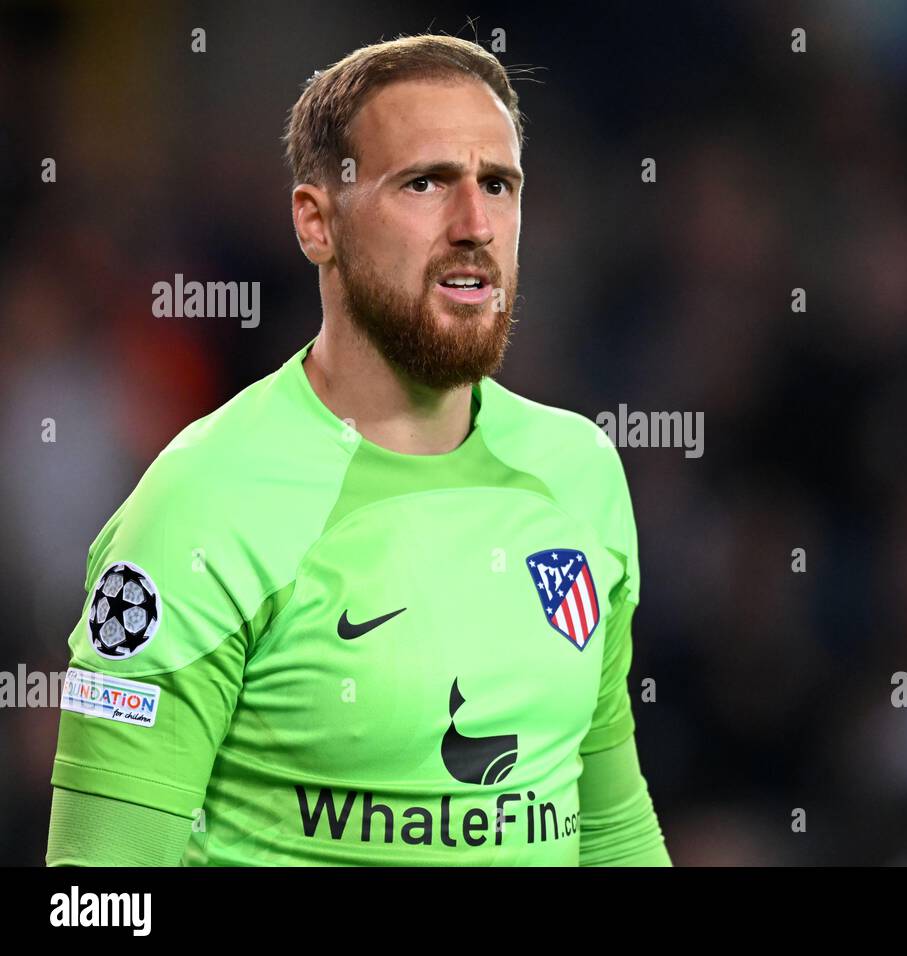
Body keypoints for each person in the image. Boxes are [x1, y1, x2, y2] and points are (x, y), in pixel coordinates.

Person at [45, 33, 670, 866]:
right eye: (425, 183)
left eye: (498, 185)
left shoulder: (579, 471)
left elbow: (611, 830)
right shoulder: (202, 503)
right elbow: (97, 894)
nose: (475, 225)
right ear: (317, 222)